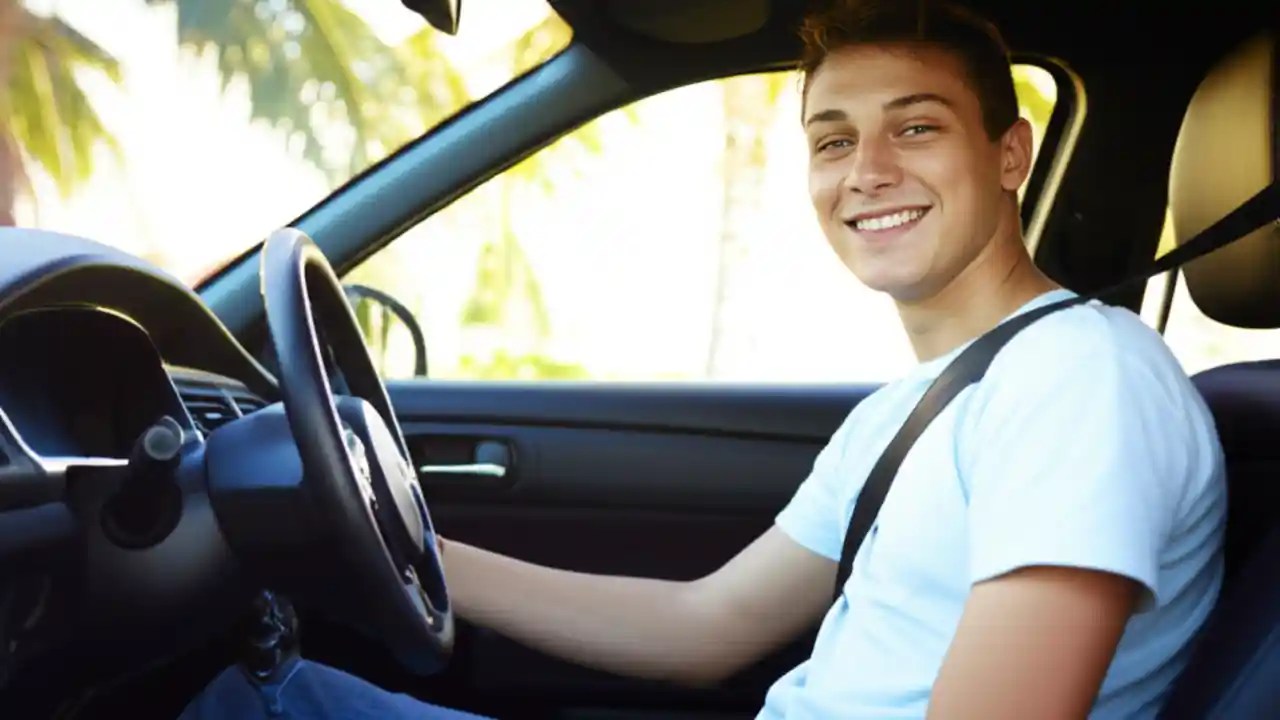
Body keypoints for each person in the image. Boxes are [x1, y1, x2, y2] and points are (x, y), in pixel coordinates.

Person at [181, 0, 1227, 717]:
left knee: (239, 702)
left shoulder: (1081, 381)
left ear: (1008, 156)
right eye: (832, 140)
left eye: (915, 129)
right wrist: (406, 544)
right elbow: (706, 626)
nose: (865, 171)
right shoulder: (920, 405)